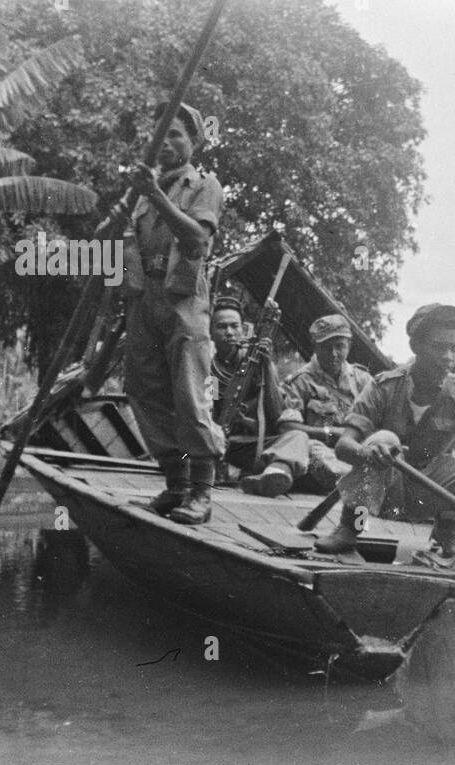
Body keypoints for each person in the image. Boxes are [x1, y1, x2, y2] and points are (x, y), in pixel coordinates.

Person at [314, 303, 455, 562]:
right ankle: (349, 528)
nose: (448, 356)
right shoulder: (384, 385)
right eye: (438, 347)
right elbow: (344, 446)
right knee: (385, 440)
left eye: (454, 348)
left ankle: (447, 531)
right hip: (384, 486)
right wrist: (367, 453)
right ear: (416, 347)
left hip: (432, 487)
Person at [122, 101, 225, 525]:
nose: (166, 144)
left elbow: (196, 243)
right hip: (144, 299)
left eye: (177, 135)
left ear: (194, 142)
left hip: (183, 299)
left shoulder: (205, 185)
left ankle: (202, 492)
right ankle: (175, 484)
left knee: (189, 394)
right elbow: (114, 245)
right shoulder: (140, 196)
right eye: (160, 136)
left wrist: (155, 194)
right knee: (145, 392)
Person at [209, 296, 310, 497]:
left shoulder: (255, 362)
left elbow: (277, 414)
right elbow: (209, 408)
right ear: (211, 331)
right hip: (221, 443)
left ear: (242, 329)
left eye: (234, 326)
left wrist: (267, 366)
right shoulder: (210, 369)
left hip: (255, 443)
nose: (229, 332)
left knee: (298, 436)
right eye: (221, 327)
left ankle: (273, 474)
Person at [281, 314, 374, 491]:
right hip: (320, 451)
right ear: (315, 347)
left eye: (339, 346)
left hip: (355, 450)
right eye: (325, 347)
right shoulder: (301, 381)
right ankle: (357, 482)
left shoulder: (363, 380)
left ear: (349, 345)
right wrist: (330, 433)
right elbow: (287, 428)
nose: (333, 354)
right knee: (308, 448)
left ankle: (356, 481)